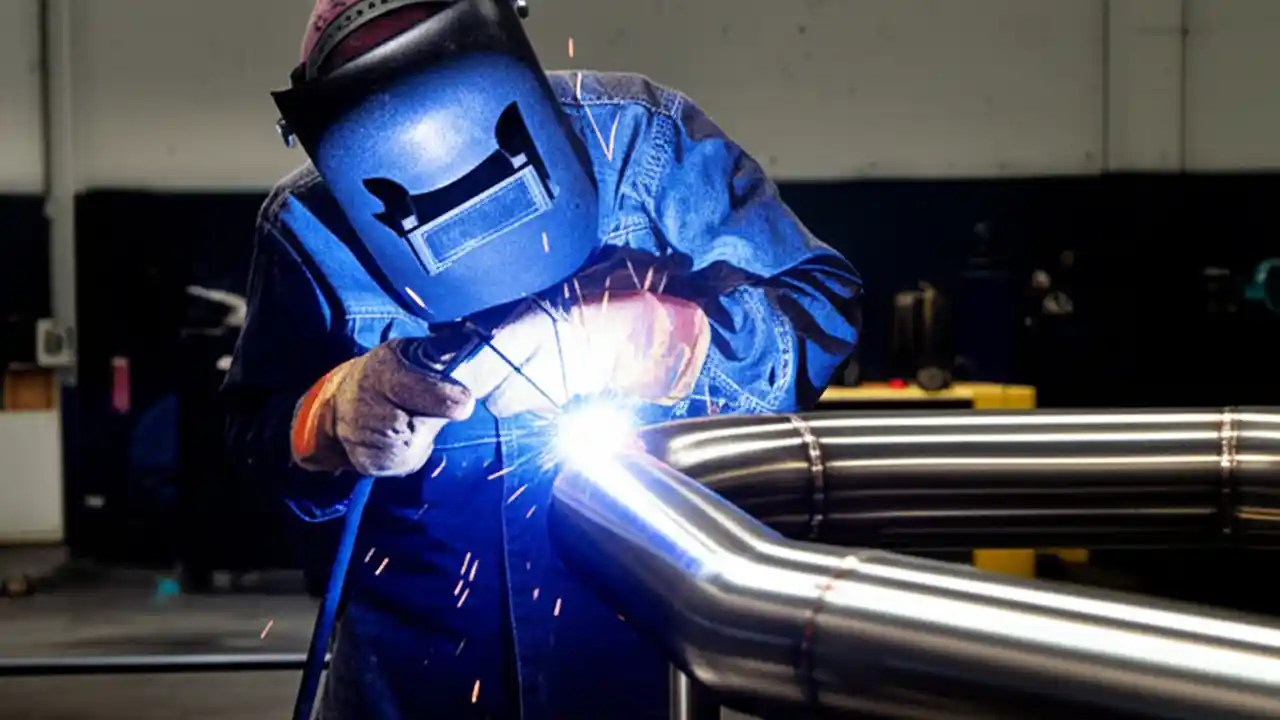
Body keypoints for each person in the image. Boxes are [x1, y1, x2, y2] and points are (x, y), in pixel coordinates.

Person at [224, 1, 862, 718]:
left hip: (643, 666)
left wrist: (661, 341)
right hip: (411, 678)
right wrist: (332, 415)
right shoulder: (310, 229)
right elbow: (254, 442)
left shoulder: (640, 141)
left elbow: (823, 309)